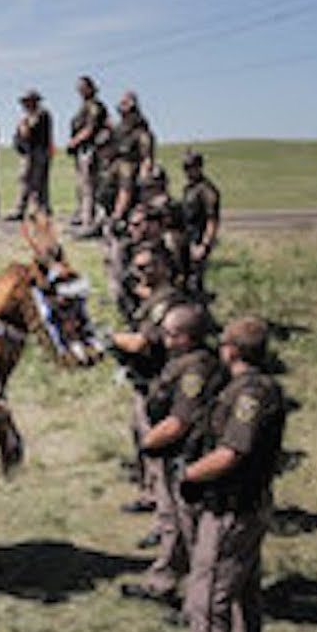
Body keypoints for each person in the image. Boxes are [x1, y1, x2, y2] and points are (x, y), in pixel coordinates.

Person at [167, 316, 286, 632]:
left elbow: (233, 451)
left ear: (231, 349)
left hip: (232, 507)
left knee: (208, 593)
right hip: (248, 504)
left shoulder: (249, 394)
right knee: (244, 592)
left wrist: (190, 475)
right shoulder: (258, 388)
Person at [120, 304, 225, 603]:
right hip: (170, 456)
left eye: (168, 333)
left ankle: (199, 601)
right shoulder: (181, 360)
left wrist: (148, 443)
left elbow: (181, 421)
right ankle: (164, 580)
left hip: (185, 458)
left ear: (185, 337)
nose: (162, 338)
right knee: (172, 523)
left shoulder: (196, 368)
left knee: (191, 531)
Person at [109, 246, 193, 518]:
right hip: (145, 381)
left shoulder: (166, 302)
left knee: (157, 448)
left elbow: (141, 342)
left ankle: (165, 513)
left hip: (162, 385)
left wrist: (109, 337)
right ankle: (149, 494)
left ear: (164, 267)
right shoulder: (152, 298)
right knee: (141, 437)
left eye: (147, 267)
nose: (140, 273)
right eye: (137, 267)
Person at [66, 75, 108, 231]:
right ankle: (84, 217)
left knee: (89, 187)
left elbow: (90, 129)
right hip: (82, 150)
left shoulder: (94, 106)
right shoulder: (85, 106)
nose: (80, 90)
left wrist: (74, 141)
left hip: (90, 150)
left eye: (83, 87)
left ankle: (90, 222)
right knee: (83, 186)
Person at [108, 90, 155, 222]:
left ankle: (117, 216)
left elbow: (147, 156)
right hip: (117, 164)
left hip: (132, 165)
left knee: (126, 176)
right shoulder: (120, 128)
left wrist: (144, 171)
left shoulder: (141, 130)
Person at [7, 89, 51, 220]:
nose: (24, 105)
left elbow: (28, 132)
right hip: (27, 152)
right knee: (26, 180)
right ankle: (29, 208)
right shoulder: (27, 117)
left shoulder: (41, 114)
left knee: (34, 181)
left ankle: (33, 208)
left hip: (37, 152)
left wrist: (23, 126)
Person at [182, 151, 221, 297]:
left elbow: (212, 221)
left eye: (191, 167)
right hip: (188, 238)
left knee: (195, 282)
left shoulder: (207, 191)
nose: (187, 171)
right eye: (185, 167)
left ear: (199, 167)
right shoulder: (189, 189)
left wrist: (204, 245)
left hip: (199, 239)